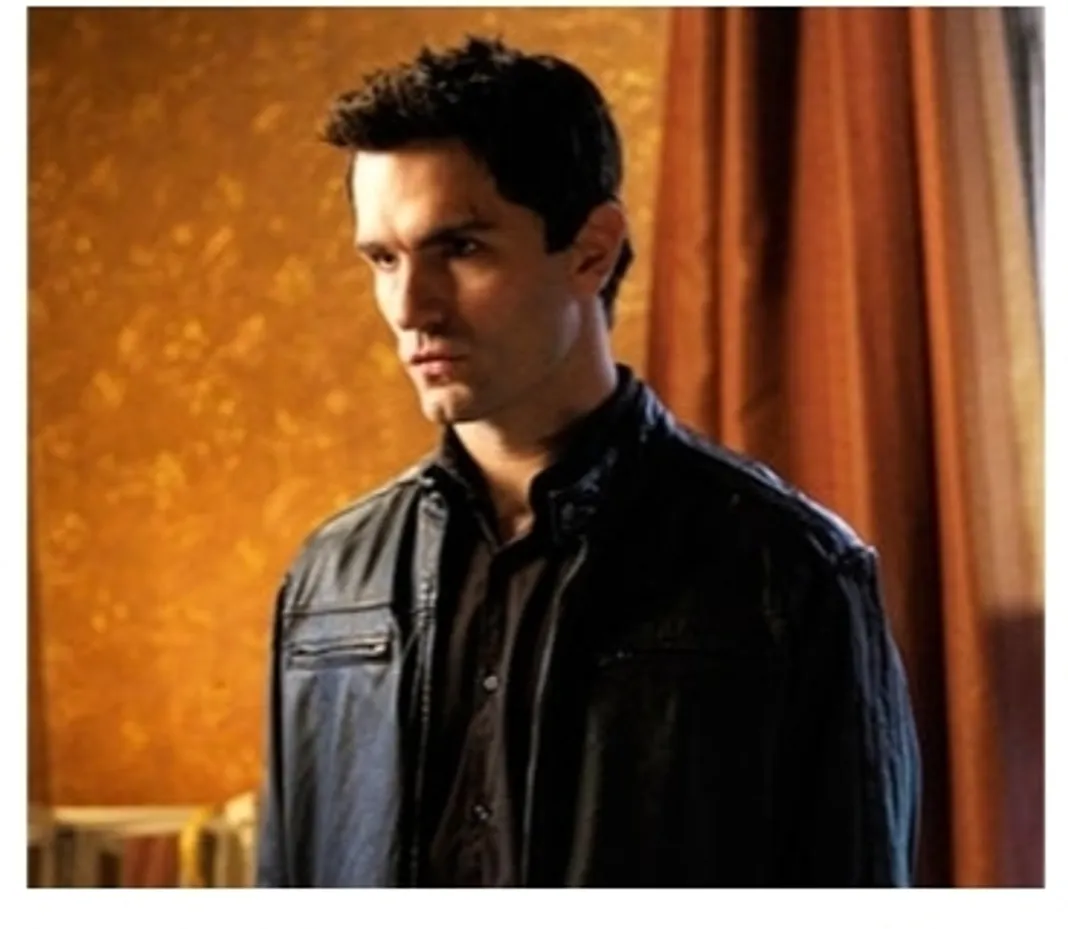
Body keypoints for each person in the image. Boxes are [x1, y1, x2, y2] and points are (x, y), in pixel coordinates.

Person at [255, 36, 921, 888]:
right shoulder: (326, 579)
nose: (410, 307)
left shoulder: (788, 570)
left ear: (591, 250)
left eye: (461, 248)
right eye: (384, 258)